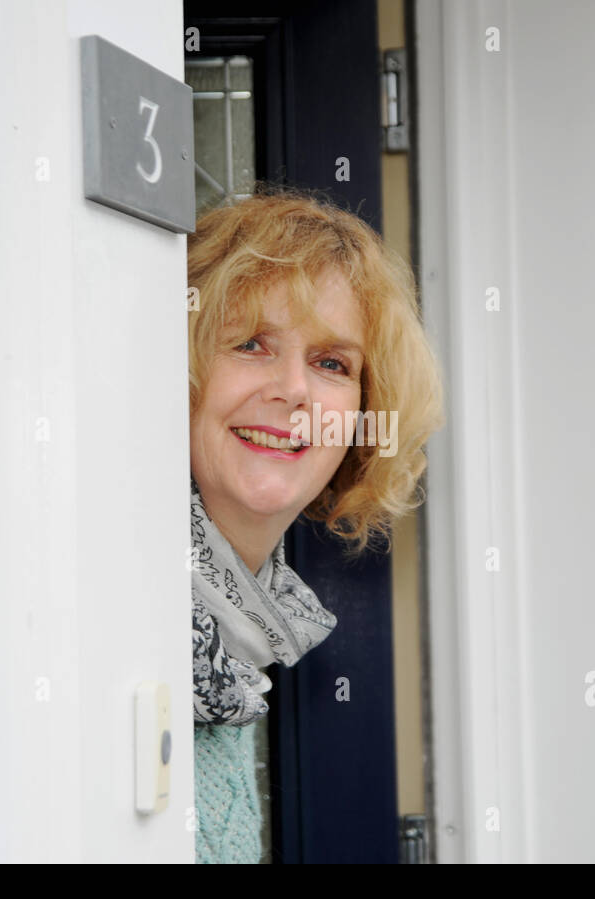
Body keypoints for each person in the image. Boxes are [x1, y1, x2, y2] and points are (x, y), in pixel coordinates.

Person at [187, 184, 445, 863]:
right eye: (250, 344)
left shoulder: (232, 636)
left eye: (332, 364)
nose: (294, 391)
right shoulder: (104, 597)